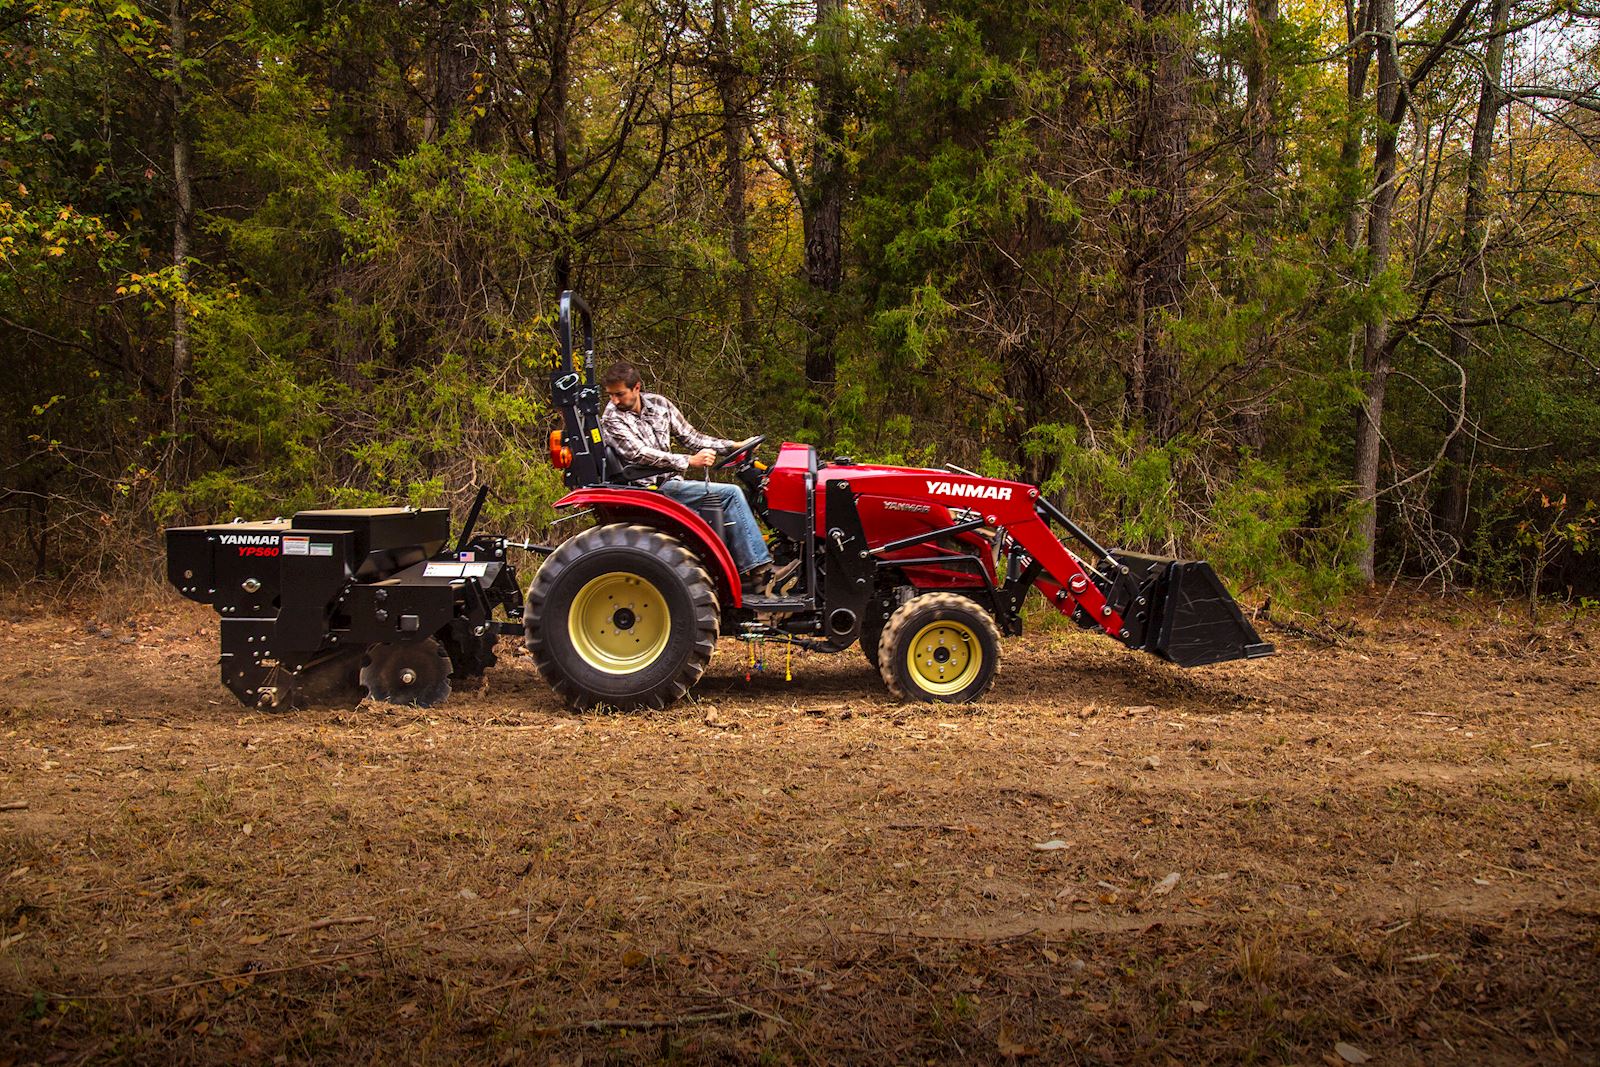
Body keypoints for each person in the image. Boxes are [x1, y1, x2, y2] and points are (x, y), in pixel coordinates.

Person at [598, 361, 774, 593]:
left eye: (619, 394)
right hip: (649, 489)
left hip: (671, 483)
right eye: (611, 395)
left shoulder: (660, 405)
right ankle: (760, 569)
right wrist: (688, 461)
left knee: (736, 496)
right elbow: (639, 454)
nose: (614, 401)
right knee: (731, 494)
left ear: (637, 388)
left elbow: (691, 437)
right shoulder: (612, 418)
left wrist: (732, 446)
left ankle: (743, 566)